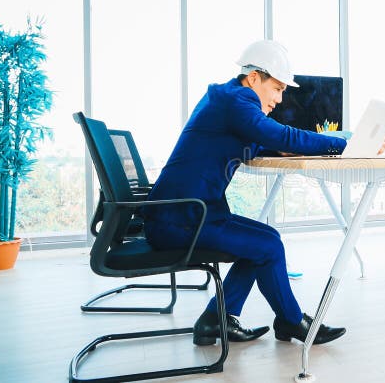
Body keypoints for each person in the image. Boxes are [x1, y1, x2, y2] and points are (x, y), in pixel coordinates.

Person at [143, 40, 347, 346]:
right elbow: (282, 134)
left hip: (188, 212)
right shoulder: (238, 100)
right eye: (277, 88)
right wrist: (342, 143)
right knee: (266, 246)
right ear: (253, 78)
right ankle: (291, 322)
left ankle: (217, 319)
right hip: (181, 219)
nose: (279, 99)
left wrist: (276, 145)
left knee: (266, 240)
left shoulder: (226, 99)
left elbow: (257, 139)